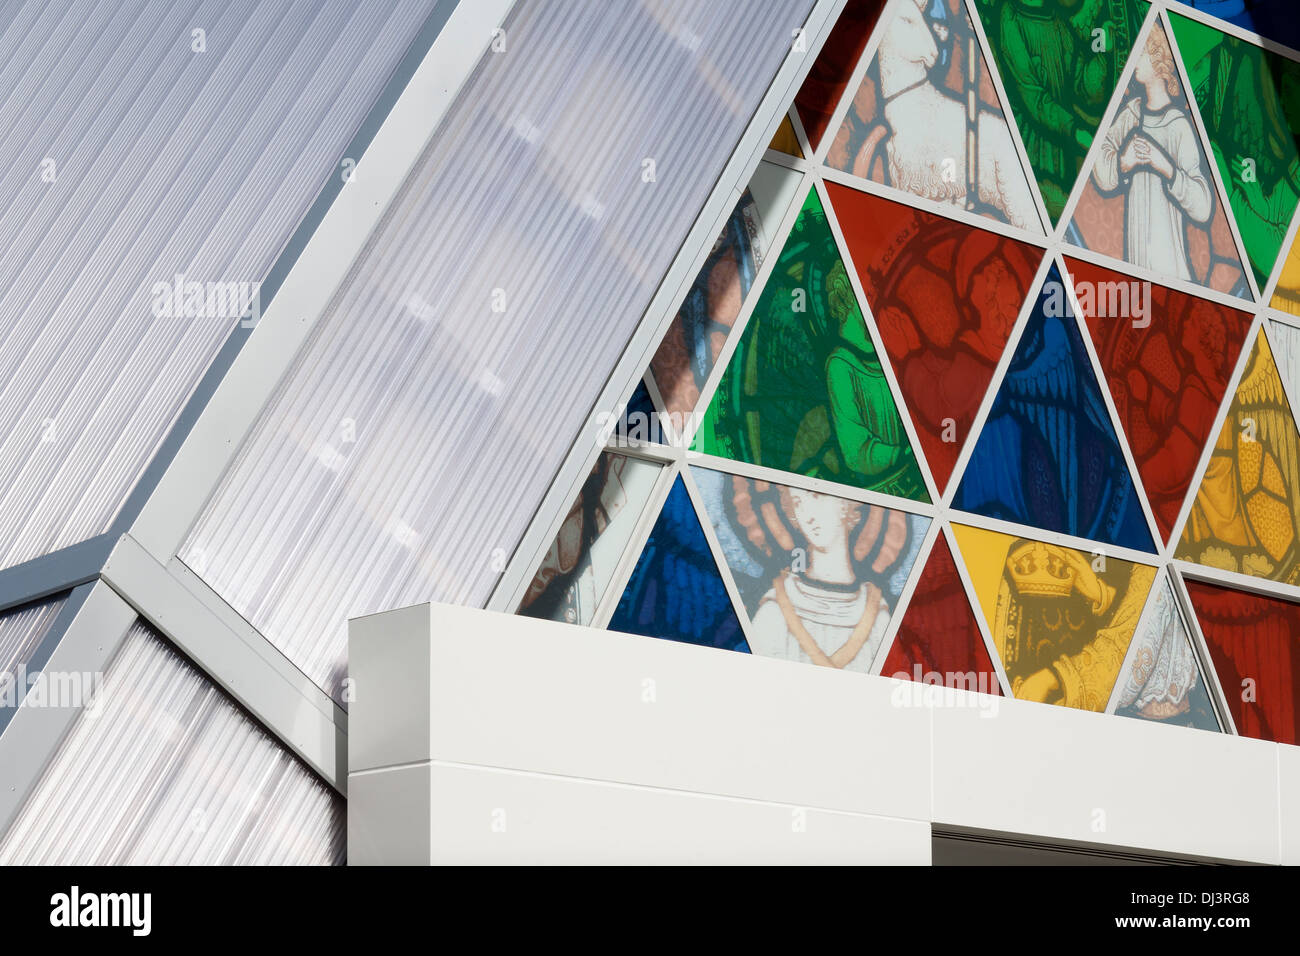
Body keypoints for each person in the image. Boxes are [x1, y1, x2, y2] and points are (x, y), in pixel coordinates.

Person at [1091, 31, 1213, 280]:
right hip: (1136, 265)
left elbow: (1203, 207)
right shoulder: (1132, 114)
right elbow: (1100, 160)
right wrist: (1124, 163)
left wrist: (1165, 167)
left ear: (1159, 62)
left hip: (1170, 271)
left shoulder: (1178, 125)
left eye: (1141, 54)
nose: (1132, 61)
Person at [747, 487, 902, 672]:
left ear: (845, 504)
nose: (808, 516)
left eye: (817, 496)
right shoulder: (774, 613)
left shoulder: (878, 619)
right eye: (797, 503)